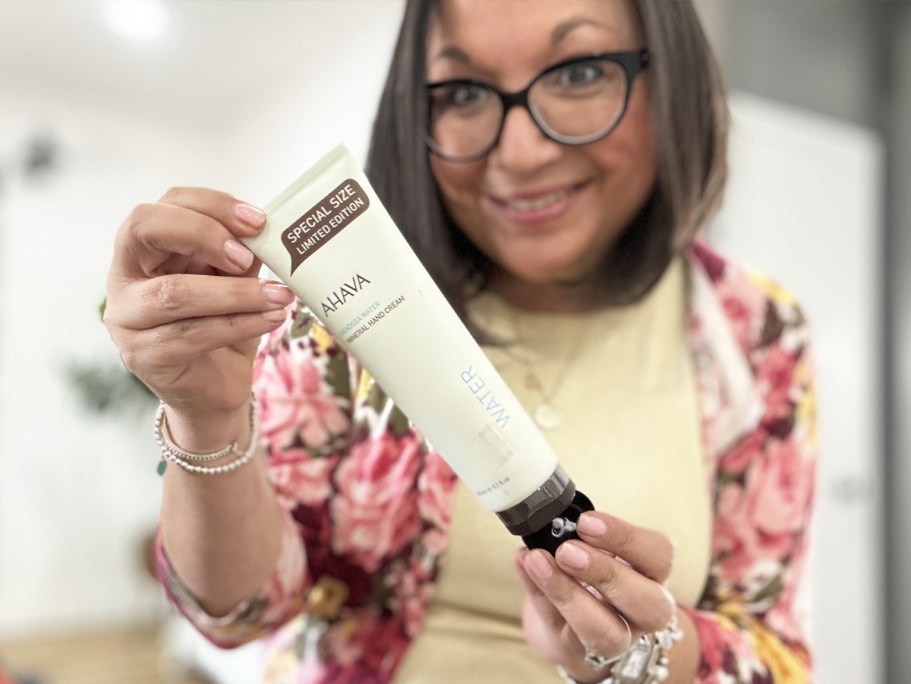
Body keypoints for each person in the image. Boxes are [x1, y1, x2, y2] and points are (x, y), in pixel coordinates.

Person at [103, 0, 818, 682]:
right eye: (463, 92)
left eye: (578, 73)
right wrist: (207, 418)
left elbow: (777, 657)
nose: (521, 153)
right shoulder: (349, 304)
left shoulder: (753, 331)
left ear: (673, 79)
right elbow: (242, 614)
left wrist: (647, 653)